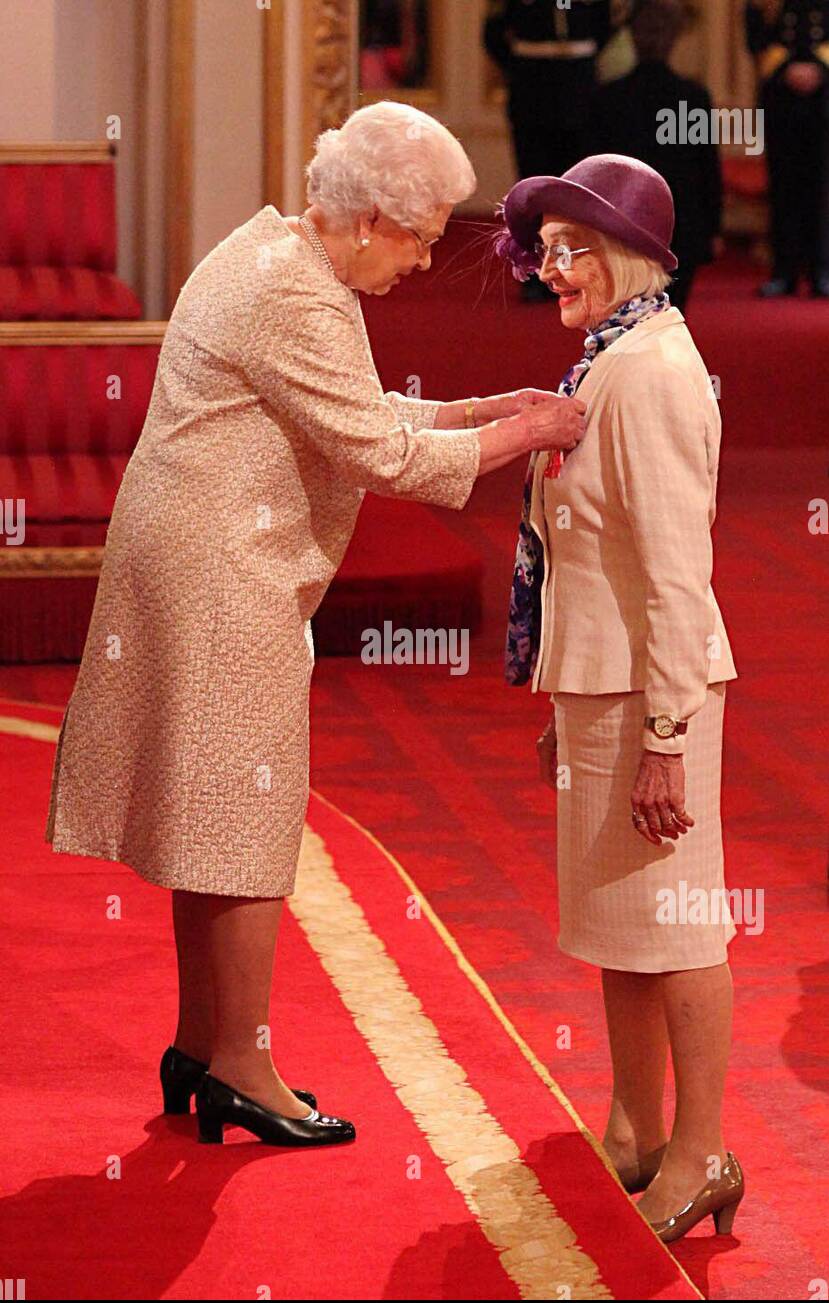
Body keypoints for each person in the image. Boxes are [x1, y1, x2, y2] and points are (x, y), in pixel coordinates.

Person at [45, 101, 587, 1151]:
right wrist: (531, 429)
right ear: (373, 217)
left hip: (196, 554)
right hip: (219, 574)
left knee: (207, 810)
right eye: (423, 235)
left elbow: (357, 408)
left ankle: (202, 1043)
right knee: (241, 819)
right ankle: (243, 1065)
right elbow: (376, 454)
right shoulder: (296, 292)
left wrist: (481, 410)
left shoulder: (272, 251)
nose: (426, 260)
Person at [495, 154, 744, 1242]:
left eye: (566, 253)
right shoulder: (610, 355)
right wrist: (567, 703)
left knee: (682, 924)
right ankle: (636, 1128)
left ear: (626, 256)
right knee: (619, 925)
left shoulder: (647, 371)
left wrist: (663, 739)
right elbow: (581, 555)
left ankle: (701, 1152)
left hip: (656, 693)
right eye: (542, 253)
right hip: (603, 686)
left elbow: (676, 574)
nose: (546, 272)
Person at [588, 0, 722, 313]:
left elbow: (594, 175)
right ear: (674, 39)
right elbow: (706, 168)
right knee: (673, 314)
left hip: (623, 225)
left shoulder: (608, 99)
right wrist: (713, 227)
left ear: (632, 37)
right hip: (681, 226)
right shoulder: (692, 98)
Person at [484, 0, 613, 298]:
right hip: (532, 91)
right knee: (534, 192)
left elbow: (604, 25)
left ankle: (575, 268)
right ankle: (535, 273)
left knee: (576, 191)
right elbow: (492, 33)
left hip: (579, 92)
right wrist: (521, 66)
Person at [746, 0, 829, 297]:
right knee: (783, 187)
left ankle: (823, 270)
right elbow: (755, 33)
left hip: (824, 101)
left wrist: (819, 68)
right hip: (781, 99)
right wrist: (785, 69)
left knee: (822, 189)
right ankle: (784, 270)